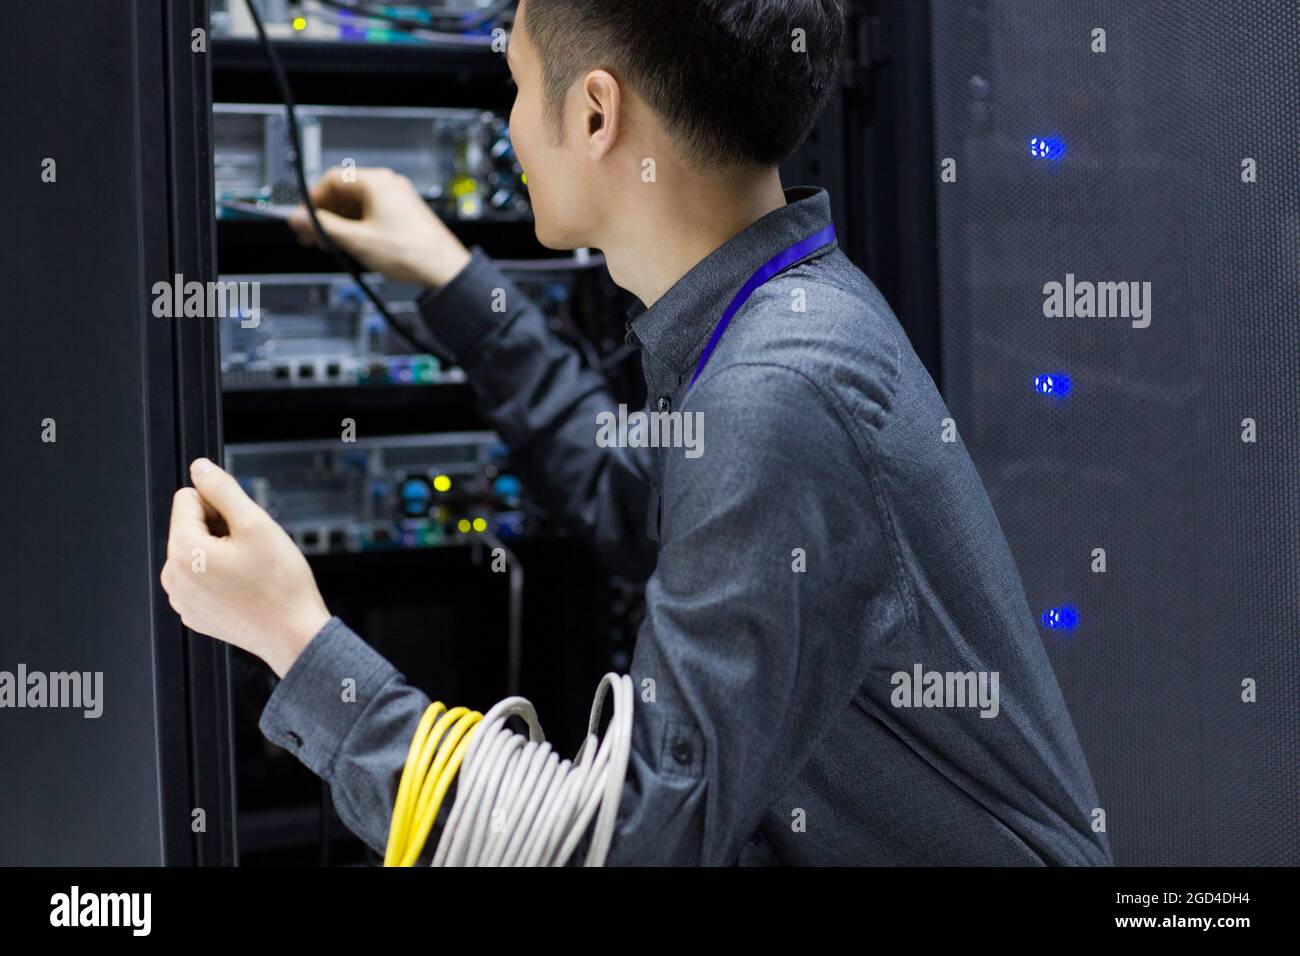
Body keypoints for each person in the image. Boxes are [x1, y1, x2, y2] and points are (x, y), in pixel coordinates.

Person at [161, 0, 1111, 865]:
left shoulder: (776, 390)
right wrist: (457, 282)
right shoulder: (784, 315)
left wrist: (294, 638)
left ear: (595, 115)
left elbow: (615, 852)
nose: (511, 129)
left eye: (520, 88)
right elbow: (631, 497)